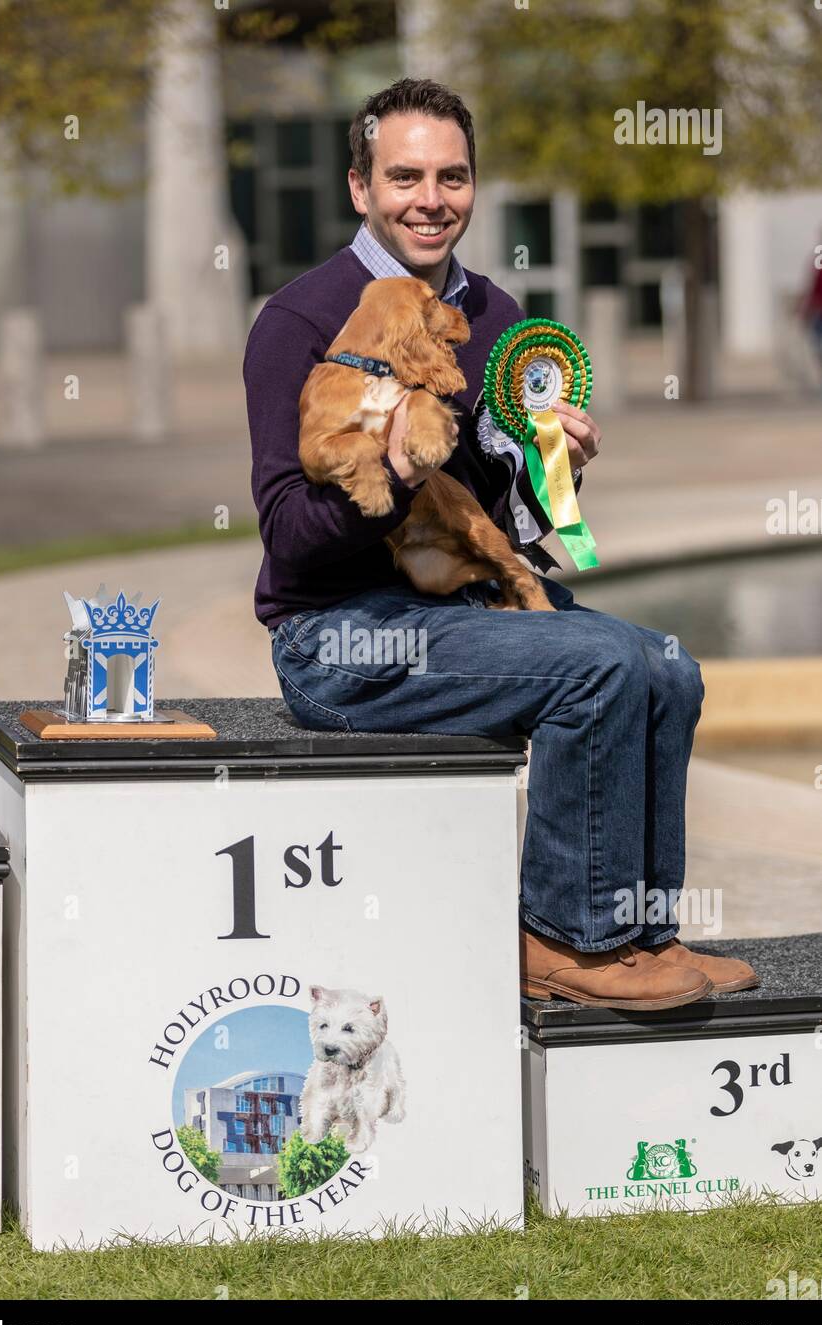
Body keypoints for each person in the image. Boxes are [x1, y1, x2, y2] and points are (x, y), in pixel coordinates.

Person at [243, 77, 757, 1009]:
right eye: (404, 176)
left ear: (474, 186)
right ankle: (565, 940)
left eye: (452, 176)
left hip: (467, 606)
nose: (429, 199)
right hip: (340, 635)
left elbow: (500, 522)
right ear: (360, 188)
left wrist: (560, 469)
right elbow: (289, 541)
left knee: (669, 666)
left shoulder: (496, 312)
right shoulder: (302, 321)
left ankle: (641, 934)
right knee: (600, 663)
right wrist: (392, 475)